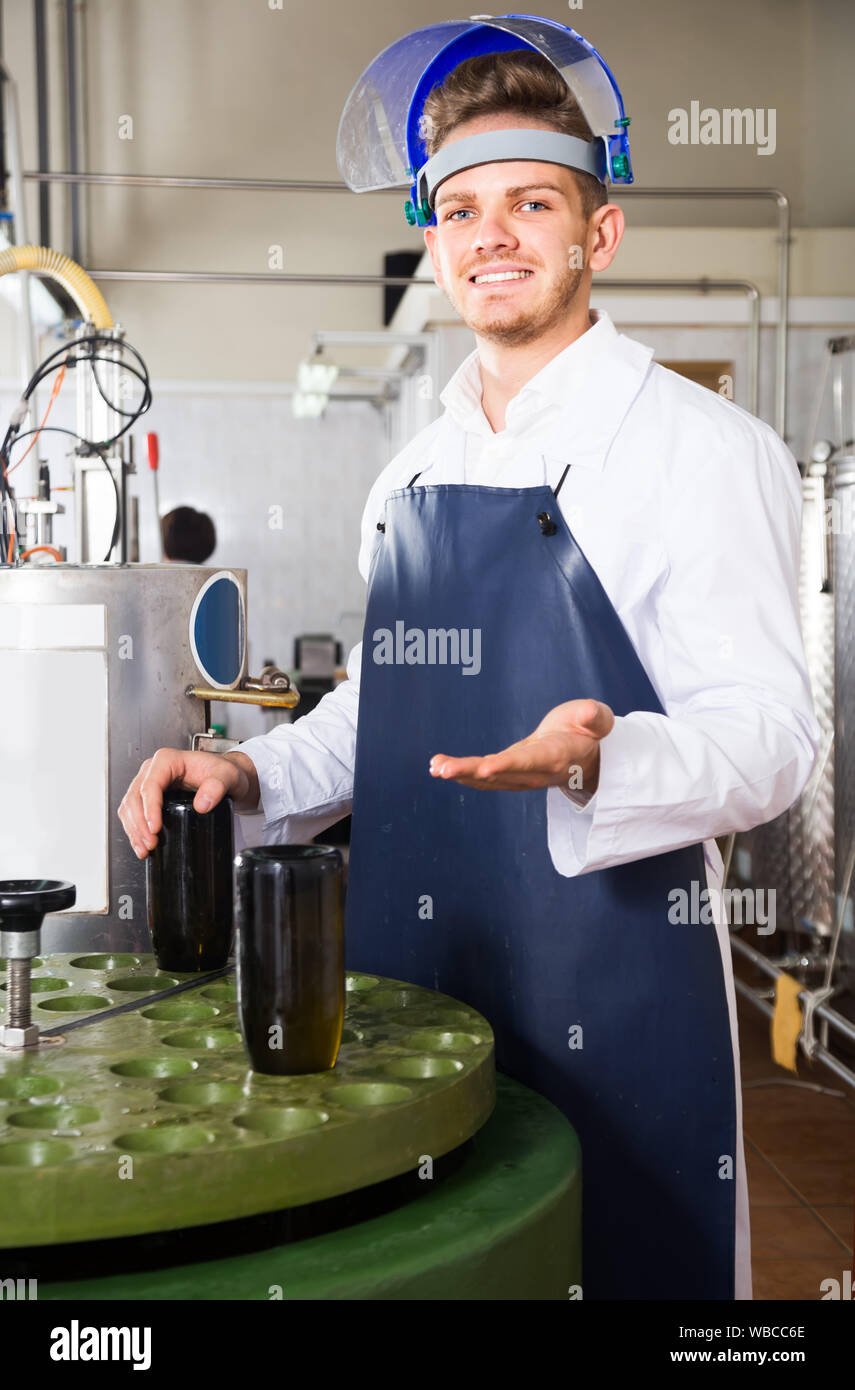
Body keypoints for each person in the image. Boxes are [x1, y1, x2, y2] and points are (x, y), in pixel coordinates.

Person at [118, 17, 820, 1300]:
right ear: (435, 239)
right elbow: (387, 716)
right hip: (419, 981)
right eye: (462, 208)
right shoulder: (412, 474)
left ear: (595, 234)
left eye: (530, 201)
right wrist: (251, 776)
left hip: (618, 981)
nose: (491, 232)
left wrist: (607, 758)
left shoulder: (703, 451)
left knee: (626, 1262)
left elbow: (776, 737)